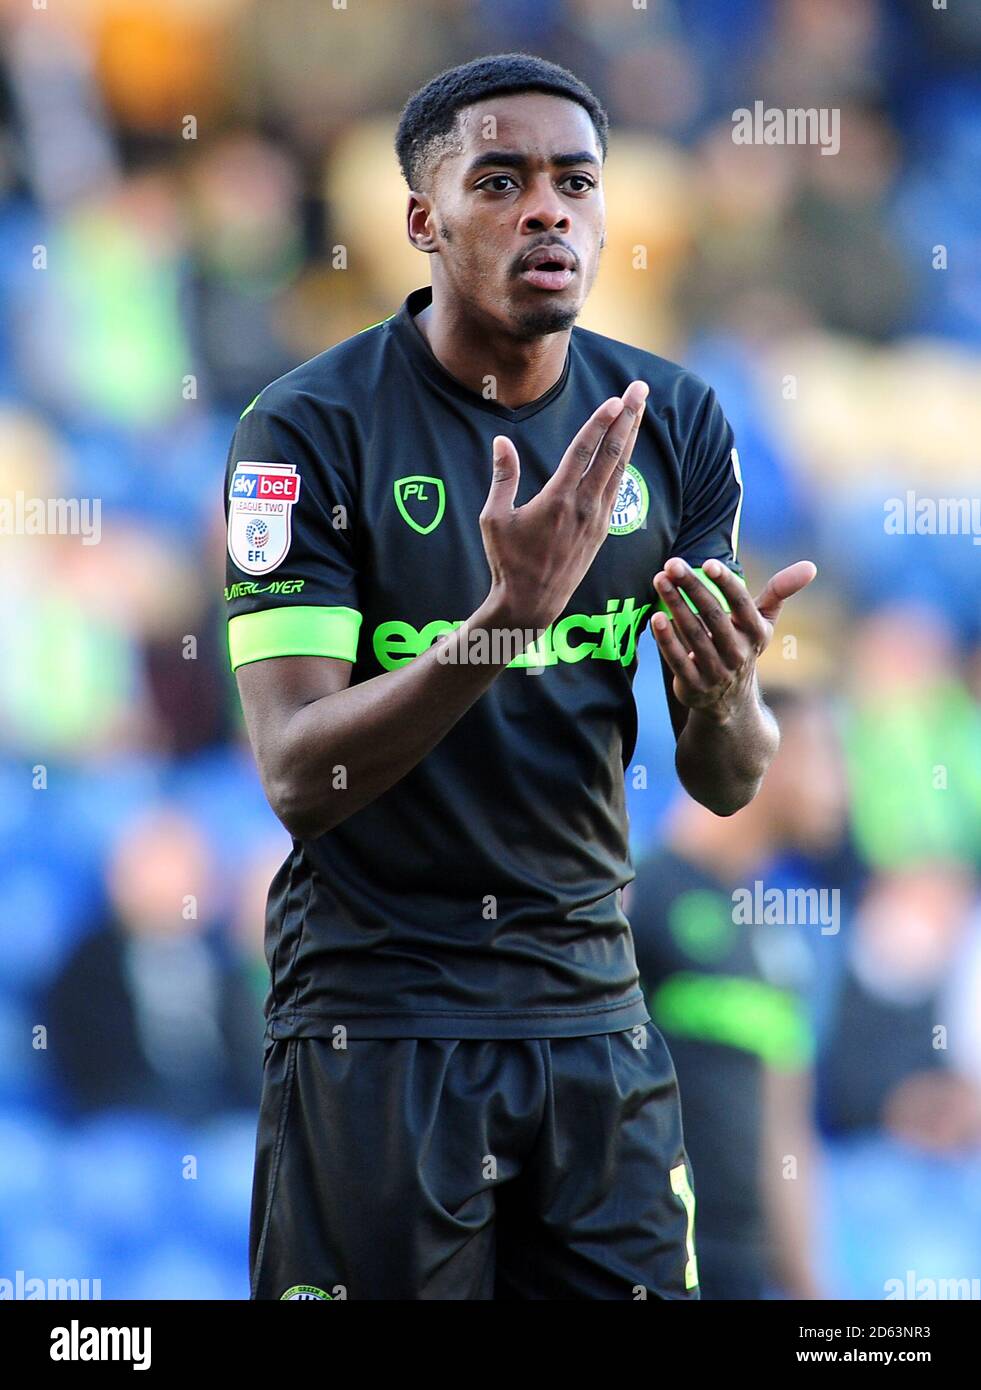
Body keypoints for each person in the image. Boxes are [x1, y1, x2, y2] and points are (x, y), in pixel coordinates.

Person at [224, 53, 815, 1301]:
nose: (547, 208)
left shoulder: (675, 422)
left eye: (575, 182)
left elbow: (725, 781)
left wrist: (726, 697)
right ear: (422, 221)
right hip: (382, 1024)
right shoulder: (306, 428)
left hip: (598, 1018)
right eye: (500, 181)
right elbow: (299, 774)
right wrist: (506, 623)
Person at [627, 688, 847, 1299]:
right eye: (829, 758)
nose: (843, 791)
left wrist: (812, 1290)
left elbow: (786, 1124)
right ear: (773, 754)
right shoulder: (641, 898)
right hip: (649, 1255)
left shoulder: (779, 936)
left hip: (740, 1271)